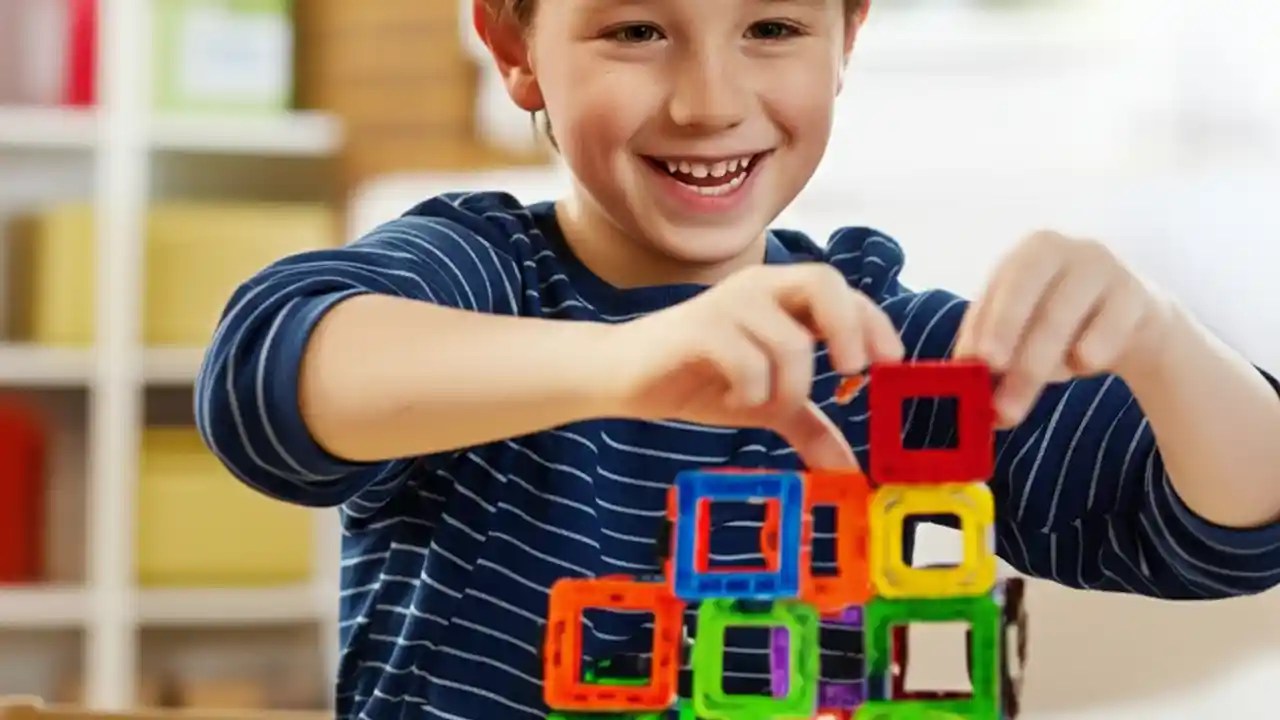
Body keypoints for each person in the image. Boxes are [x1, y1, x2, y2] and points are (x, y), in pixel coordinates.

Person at [193, 0, 1280, 717]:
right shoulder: (476, 275)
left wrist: (1158, 337)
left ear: (846, 36)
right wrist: (627, 361)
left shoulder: (900, 352)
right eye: (634, 29)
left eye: (767, 24)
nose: (709, 99)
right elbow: (269, 382)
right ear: (514, 48)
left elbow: (1233, 533)